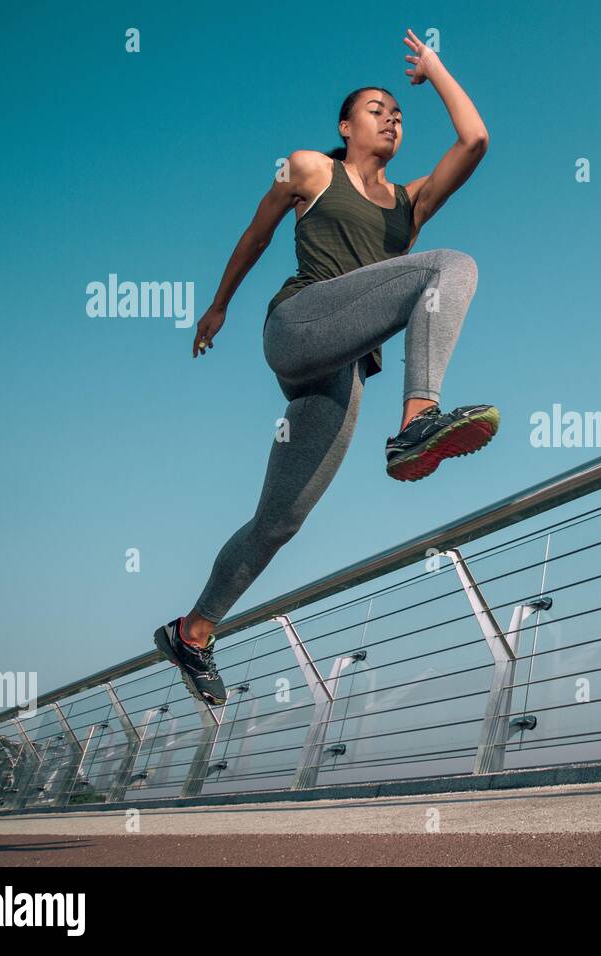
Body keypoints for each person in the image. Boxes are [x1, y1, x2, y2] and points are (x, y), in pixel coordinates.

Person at [154, 29, 495, 706]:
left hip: (341, 372)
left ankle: (192, 633)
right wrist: (217, 307)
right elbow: (256, 233)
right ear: (345, 125)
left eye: (399, 111)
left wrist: (438, 68)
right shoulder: (311, 167)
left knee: (279, 522)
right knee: (452, 266)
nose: (392, 116)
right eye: (377, 108)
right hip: (299, 327)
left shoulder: (410, 205)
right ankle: (418, 420)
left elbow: (476, 140)